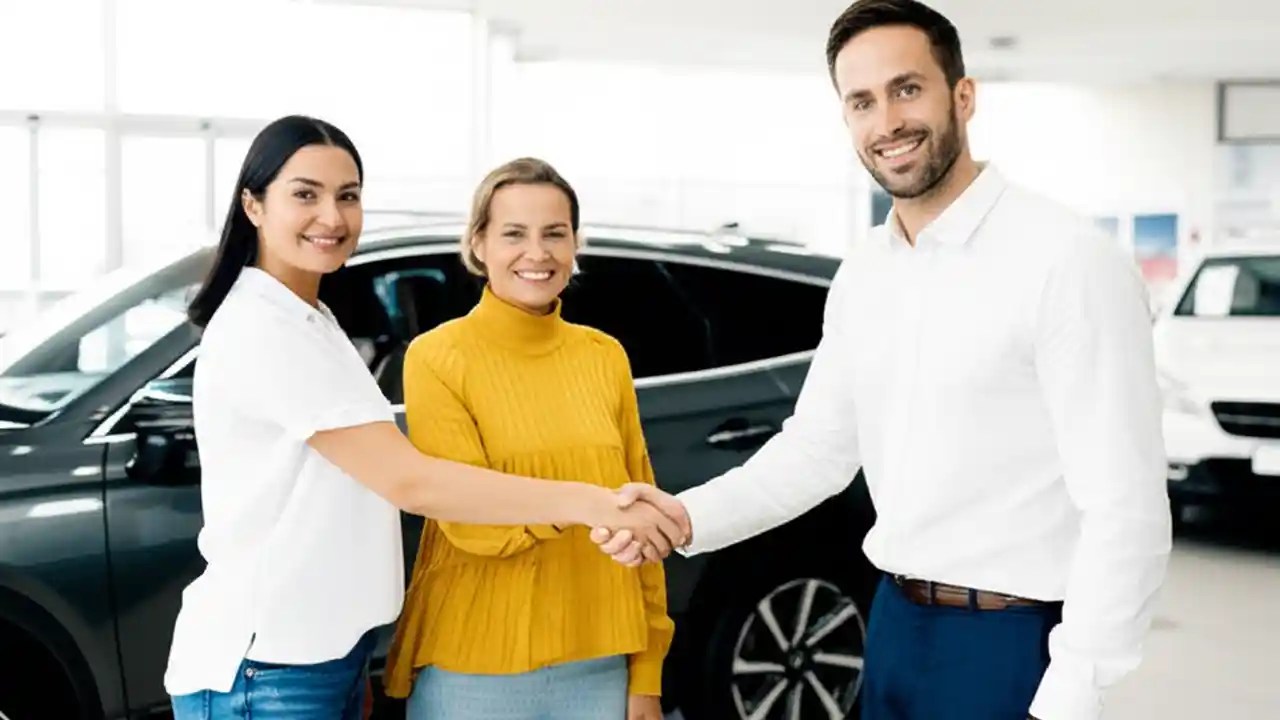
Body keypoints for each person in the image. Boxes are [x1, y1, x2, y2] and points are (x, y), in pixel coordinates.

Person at [594, 1, 1172, 719]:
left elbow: (1127, 503)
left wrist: (1075, 688)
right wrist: (684, 517)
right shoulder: (866, 271)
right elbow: (816, 452)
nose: (887, 122)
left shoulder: (1066, 259)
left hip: (1013, 640)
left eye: (907, 89)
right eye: (862, 101)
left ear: (963, 95)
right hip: (893, 624)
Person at [164, 117, 686, 720]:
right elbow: (412, 482)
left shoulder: (312, 321)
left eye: (348, 195)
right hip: (267, 663)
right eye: (305, 194)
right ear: (253, 205)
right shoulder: (266, 328)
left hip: (325, 651)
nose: (331, 217)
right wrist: (591, 503)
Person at [381, 157, 671, 720]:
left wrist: (647, 676)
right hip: (474, 671)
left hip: (602, 663)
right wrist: (583, 503)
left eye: (554, 234)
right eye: (514, 233)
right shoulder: (438, 358)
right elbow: (469, 523)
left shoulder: (603, 357)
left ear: (575, 245)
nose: (536, 253)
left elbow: (643, 522)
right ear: (479, 243)